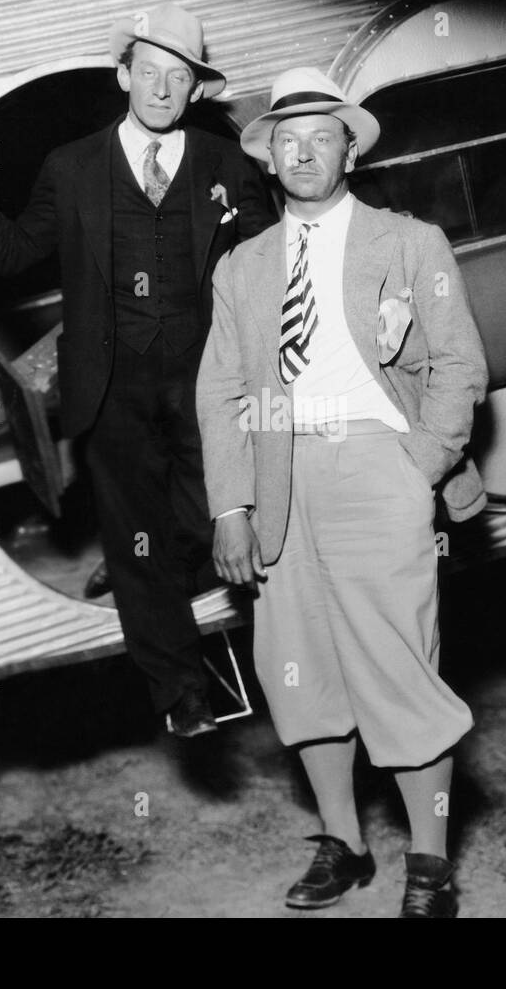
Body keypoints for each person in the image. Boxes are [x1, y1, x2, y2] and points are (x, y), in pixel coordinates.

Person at [0, 4, 274, 737]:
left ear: (195, 92)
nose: (161, 89)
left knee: (205, 519)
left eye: (178, 78)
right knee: (134, 533)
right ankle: (181, 692)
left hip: (203, 379)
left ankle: (184, 601)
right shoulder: (73, 166)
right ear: (123, 76)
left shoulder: (225, 166)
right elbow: (15, 251)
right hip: (109, 387)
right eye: (148, 73)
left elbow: (268, 265)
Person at [196, 67, 488, 916]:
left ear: (349, 147)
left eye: (321, 136)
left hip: (377, 469)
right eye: (287, 141)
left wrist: (419, 464)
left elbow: (462, 363)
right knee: (300, 675)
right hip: (279, 480)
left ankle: (430, 866)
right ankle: (345, 845)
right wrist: (231, 505)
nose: (303, 152)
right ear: (268, 160)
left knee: (399, 671)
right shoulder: (244, 267)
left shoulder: (409, 242)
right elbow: (219, 392)